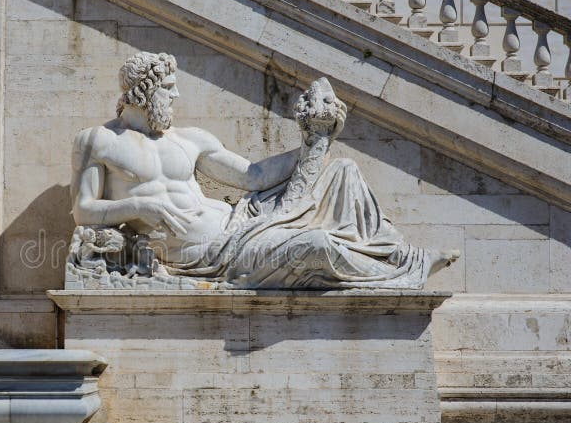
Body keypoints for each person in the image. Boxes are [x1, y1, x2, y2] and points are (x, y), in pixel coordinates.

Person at [70, 51, 456, 289]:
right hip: (208, 253)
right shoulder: (98, 141)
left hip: (241, 223)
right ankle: (403, 270)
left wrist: (311, 140)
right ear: (145, 92)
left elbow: (253, 176)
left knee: (342, 171)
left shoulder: (189, 138)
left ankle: (399, 258)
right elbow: (83, 210)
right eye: (168, 87)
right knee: (317, 244)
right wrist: (139, 209)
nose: (176, 95)